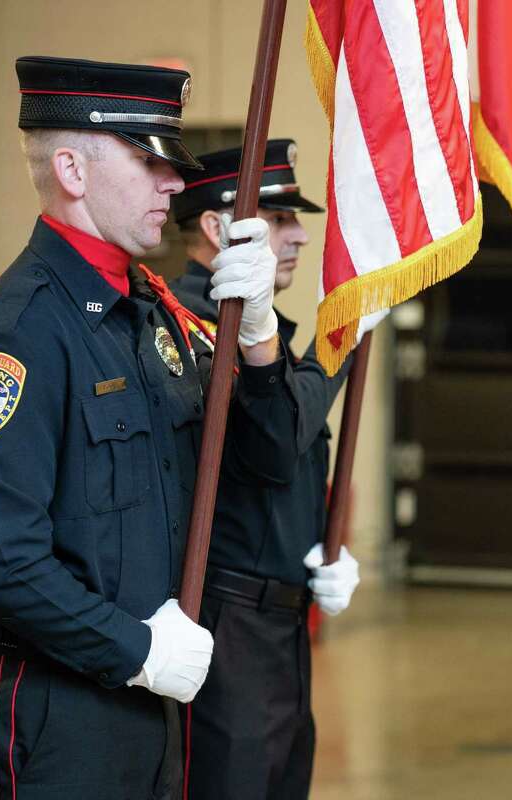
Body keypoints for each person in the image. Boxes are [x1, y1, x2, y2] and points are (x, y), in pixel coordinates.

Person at [0, 56, 294, 799]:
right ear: (72, 169)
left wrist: (260, 340)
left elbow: (263, 464)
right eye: (149, 162)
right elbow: (5, 566)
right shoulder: (15, 338)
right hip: (48, 707)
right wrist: (139, 650)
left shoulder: (150, 316)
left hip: (140, 698)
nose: (174, 184)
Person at [169, 140, 362, 799]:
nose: (300, 236)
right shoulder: (186, 330)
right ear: (216, 226)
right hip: (225, 623)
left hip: (281, 625)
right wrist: (333, 349)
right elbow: (275, 444)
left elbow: (289, 462)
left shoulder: (267, 334)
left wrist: (317, 549)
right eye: (279, 218)